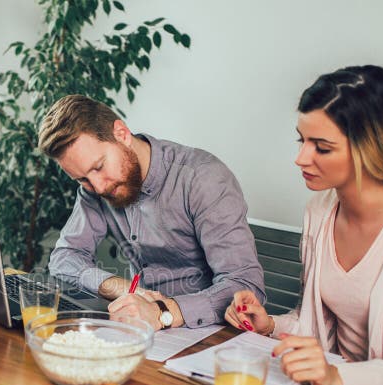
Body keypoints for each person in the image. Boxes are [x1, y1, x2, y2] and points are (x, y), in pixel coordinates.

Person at [225, 65, 383, 385]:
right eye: (302, 140)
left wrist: (339, 378)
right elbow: (313, 325)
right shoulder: (319, 211)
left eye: (321, 147)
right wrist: (268, 325)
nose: (300, 158)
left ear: (373, 147)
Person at [39, 94, 265, 331]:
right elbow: (64, 258)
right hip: (140, 330)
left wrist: (161, 312)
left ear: (122, 134)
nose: (99, 187)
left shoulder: (202, 178)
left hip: (207, 334)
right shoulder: (97, 187)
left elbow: (245, 284)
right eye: (82, 179)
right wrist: (120, 287)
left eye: (98, 167)